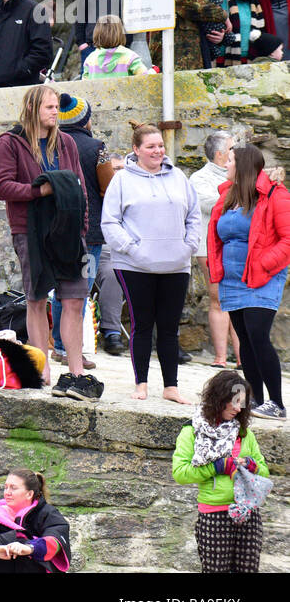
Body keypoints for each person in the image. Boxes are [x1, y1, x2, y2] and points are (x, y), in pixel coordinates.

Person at [0, 85, 99, 400]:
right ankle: (41, 368)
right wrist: (38, 192)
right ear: (33, 108)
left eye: (56, 107)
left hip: (68, 230)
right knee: (37, 298)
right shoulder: (10, 143)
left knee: (75, 299)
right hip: (30, 229)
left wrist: (82, 226)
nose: (56, 112)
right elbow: (2, 186)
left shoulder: (65, 142)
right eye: (50, 107)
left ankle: (76, 371)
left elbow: (79, 186)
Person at [101, 123, 203, 403]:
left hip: (176, 263)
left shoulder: (179, 177)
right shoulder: (122, 180)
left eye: (160, 145)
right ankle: (141, 384)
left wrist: (189, 246)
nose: (158, 150)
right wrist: (132, 249)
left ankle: (171, 387)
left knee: (170, 327)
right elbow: (109, 222)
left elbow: (194, 216)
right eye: (151, 146)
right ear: (136, 150)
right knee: (142, 324)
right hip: (135, 265)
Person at [207, 146, 289, 420]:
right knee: (245, 339)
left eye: (229, 161)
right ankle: (256, 400)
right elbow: (218, 236)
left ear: (240, 167)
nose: (225, 165)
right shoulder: (228, 196)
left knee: (257, 335)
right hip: (234, 280)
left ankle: (277, 403)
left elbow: (287, 240)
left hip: (262, 278)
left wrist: (264, 264)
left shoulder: (276, 196)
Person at [51, 93, 126, 359]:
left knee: (61, 288)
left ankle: (58, 345)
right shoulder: (97, 148)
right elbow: (109, 188)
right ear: (85, 120)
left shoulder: (50, 144)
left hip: (57, 230)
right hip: (90, 232)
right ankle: (70, 348)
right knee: (81, 289)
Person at [171, 371, 270, 572]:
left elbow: (264, 471)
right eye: (232, 401)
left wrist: (250, 465)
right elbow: (180, 473)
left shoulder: (244, 433)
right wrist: (217, 467)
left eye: (241, 402)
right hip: (213, 516)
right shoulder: (191, 432)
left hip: (247, 513)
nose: (237, 408)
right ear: (218, 398)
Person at [190, 132, 241, 368]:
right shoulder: (199, 179)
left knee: (240, 301)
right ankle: (221, 357)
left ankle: (243, 358)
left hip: (238, 244)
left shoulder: (241, 174)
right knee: (218, 298)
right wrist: (240, 194)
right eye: (232, 148)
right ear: (221, 154)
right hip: (209, 246)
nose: (236, 150)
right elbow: (211, 205)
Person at [0, 469, 70, 573]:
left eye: (13, 488)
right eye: (5, 488)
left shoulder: (48, 513)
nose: (7, 493)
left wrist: (30, 548)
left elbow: (55, 539)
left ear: (29, 494)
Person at [80, 14, 147, 79]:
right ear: (121, 33)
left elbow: (85, 85)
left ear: (96, 33)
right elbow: (145, 77)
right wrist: (153, 70)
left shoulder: (90, 59)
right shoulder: (130, 57)